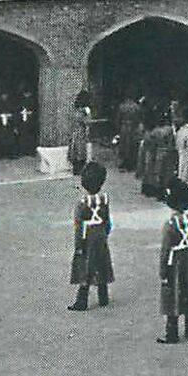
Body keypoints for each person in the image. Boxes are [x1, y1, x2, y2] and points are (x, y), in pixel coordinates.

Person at [158, 177, 188, 343]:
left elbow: (165, 251)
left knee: (172, 294)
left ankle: (172, 333)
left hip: (174, 261)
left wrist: (163, 272)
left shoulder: (170, 224)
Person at [70, 162, 115, 311]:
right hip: (100, 234)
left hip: (87, 235)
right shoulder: (104, 200)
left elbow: (78, 226)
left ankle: (82, 301)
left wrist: (78, 245)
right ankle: (103, 297)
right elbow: (107, 221)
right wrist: (105, 233)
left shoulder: (82, 203)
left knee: (85, 266)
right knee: (101, 263)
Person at [116, 91, 144, 171]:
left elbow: (118, 118)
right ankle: (131, 163)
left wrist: (118, 128)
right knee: (132, 145)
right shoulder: (136, 107)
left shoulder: (122, 106)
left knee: (124, 145)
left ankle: (124, 162)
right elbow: (139, 118)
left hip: (124, 126)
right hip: (133, 127)